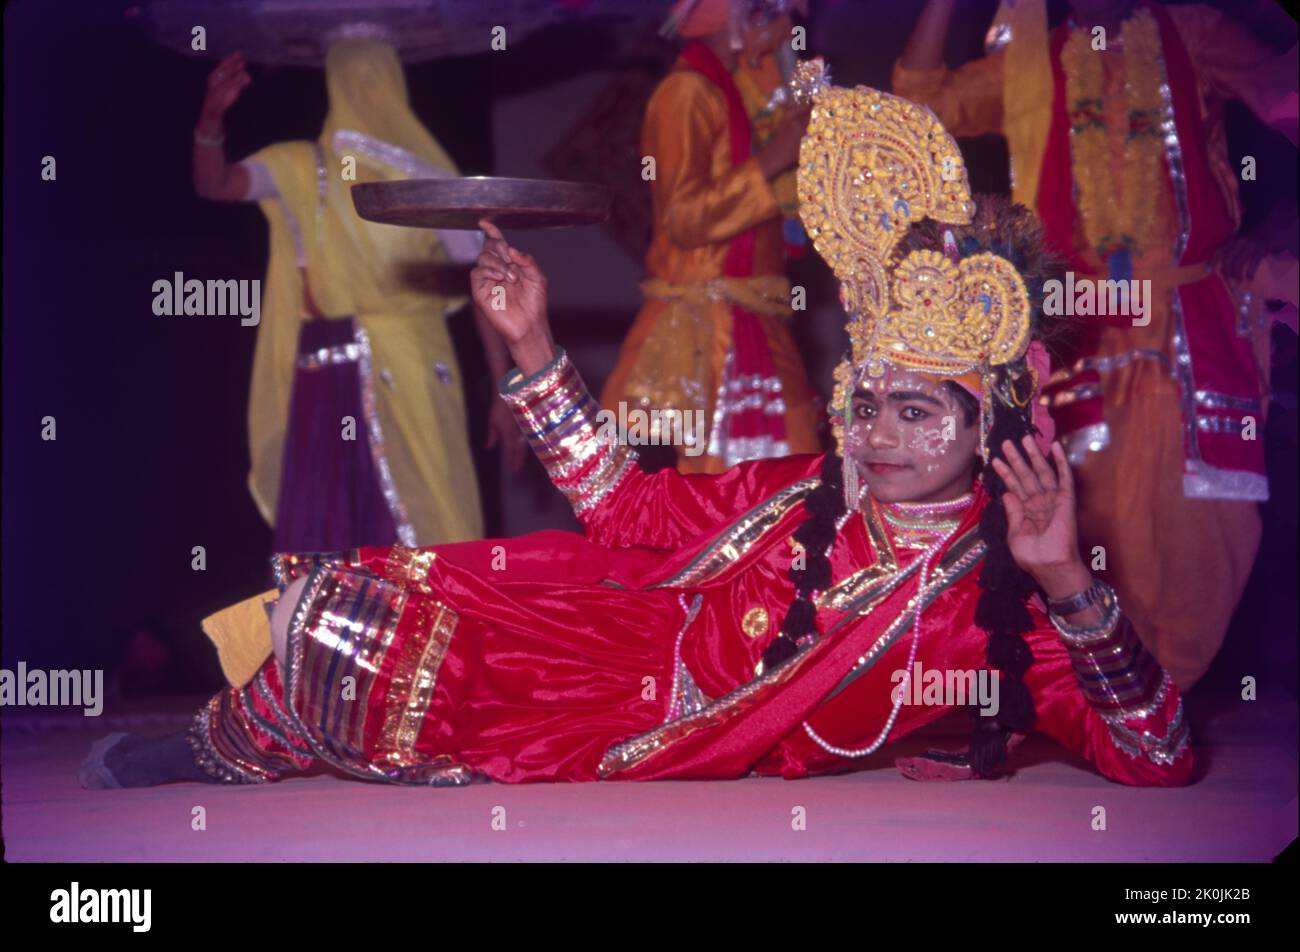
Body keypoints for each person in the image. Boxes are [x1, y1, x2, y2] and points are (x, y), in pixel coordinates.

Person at [81, 81, 1190, 790]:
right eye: (869, 399)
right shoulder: (805, 493)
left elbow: (1158, 755)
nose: (880, 436)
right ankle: (231, 742)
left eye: (918, 411)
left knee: (341, 645)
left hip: (637, 731)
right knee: (317, 600)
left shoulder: (991, 615)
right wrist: (530, 346)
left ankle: (235, 747)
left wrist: (1069, 585)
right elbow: (627, 508)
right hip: (606, 639)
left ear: (989, 423)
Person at [893, 0, 1298, 691]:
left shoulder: (1190, 34)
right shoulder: (1033, 66)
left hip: (1187, 318)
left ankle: (1164, 697)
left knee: (1209, 527)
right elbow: (920, 103)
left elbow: (1285, 95)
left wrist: (1286, 217)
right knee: (1086, 515)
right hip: (1076, 328)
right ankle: (1116, 696)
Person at [192, 39, 522, 554]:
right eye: (352, 71)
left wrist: (505, 387)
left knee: (429, 527)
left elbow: (486, 283)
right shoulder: (305, 167)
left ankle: (433, 631)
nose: (363, 86)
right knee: (329, 540)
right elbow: (215, 184)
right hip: (328, 373)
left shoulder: (427, 179)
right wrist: (211, 118)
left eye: (375, 72)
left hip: (413, 369)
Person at [598, 0, 823, 474]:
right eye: (774, 15)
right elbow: (682, 217)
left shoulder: (740, 93)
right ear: (739, 20)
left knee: (791, 472)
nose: (788, 30)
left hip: (756, 313)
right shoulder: (685, 92)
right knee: (716, 487)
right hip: (710, 326)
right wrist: (776, 156)